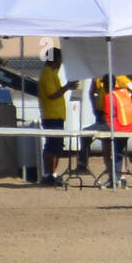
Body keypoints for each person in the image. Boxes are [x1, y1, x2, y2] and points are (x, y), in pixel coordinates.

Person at [38, 48, 78, 185]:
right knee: (51, 145)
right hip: (51, 116)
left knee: (57, 146)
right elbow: (52, 94)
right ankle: (48, 173)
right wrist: (67, 87)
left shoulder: (53, 73)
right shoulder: (47, 74)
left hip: (57, 115)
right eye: (60, 59)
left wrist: (67, 87)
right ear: (54, 59)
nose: (61, 63)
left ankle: (53, 173)